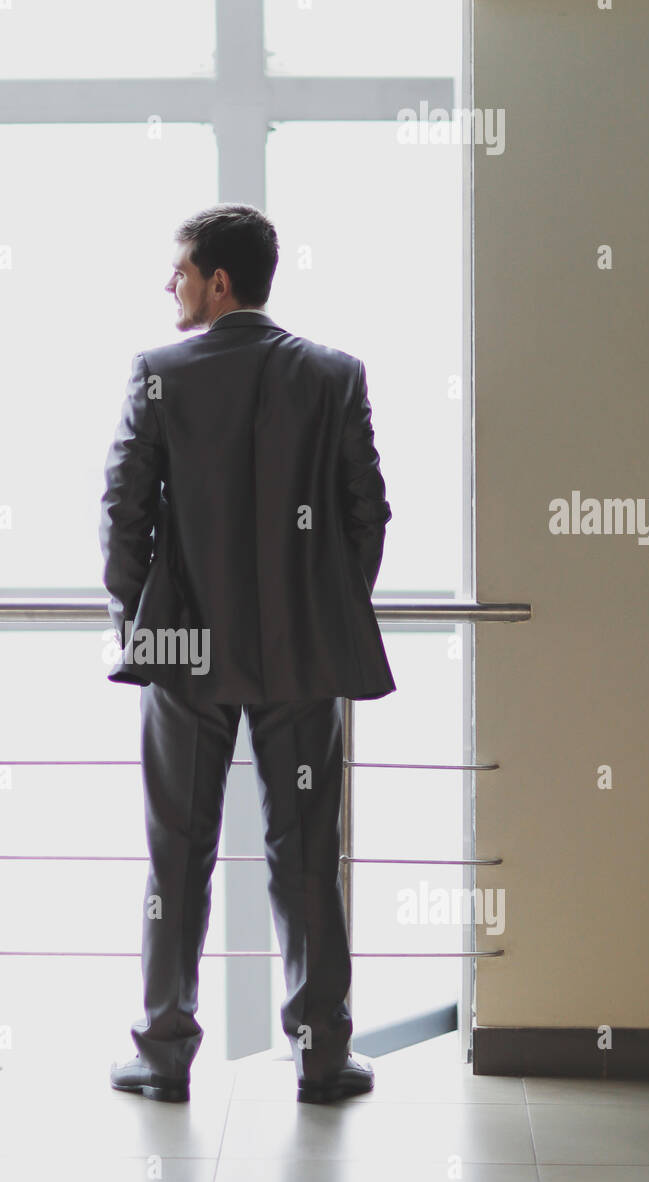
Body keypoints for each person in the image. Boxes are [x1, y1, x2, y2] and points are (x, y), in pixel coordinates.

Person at [99, 204, 394, 1104]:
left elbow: (124, 515)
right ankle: (321, 1054)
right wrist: (322, 610)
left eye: (180, 269)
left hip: (185, 649)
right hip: (301, 654)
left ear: (218, 281)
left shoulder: (160, 373)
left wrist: (139, 621)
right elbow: (367, 515)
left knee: (176, 854)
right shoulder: (336, 375)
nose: (171, 285)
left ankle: (163, 1054)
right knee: (304, 851)